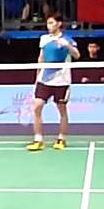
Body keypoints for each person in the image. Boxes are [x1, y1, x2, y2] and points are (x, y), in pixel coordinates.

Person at [27, 14, 80, 151]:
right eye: (48, 23)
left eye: (51, 23)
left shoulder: (67, 39)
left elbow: (77, 55)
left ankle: (61, 138)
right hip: (44, 80)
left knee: (61, 110)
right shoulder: (44, 39)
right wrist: (37, 75)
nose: (48, 25)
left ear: (59, 24)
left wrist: (67, 45)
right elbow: (41, 58)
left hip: (61, 81)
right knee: (37, 106)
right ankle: (38, 140)